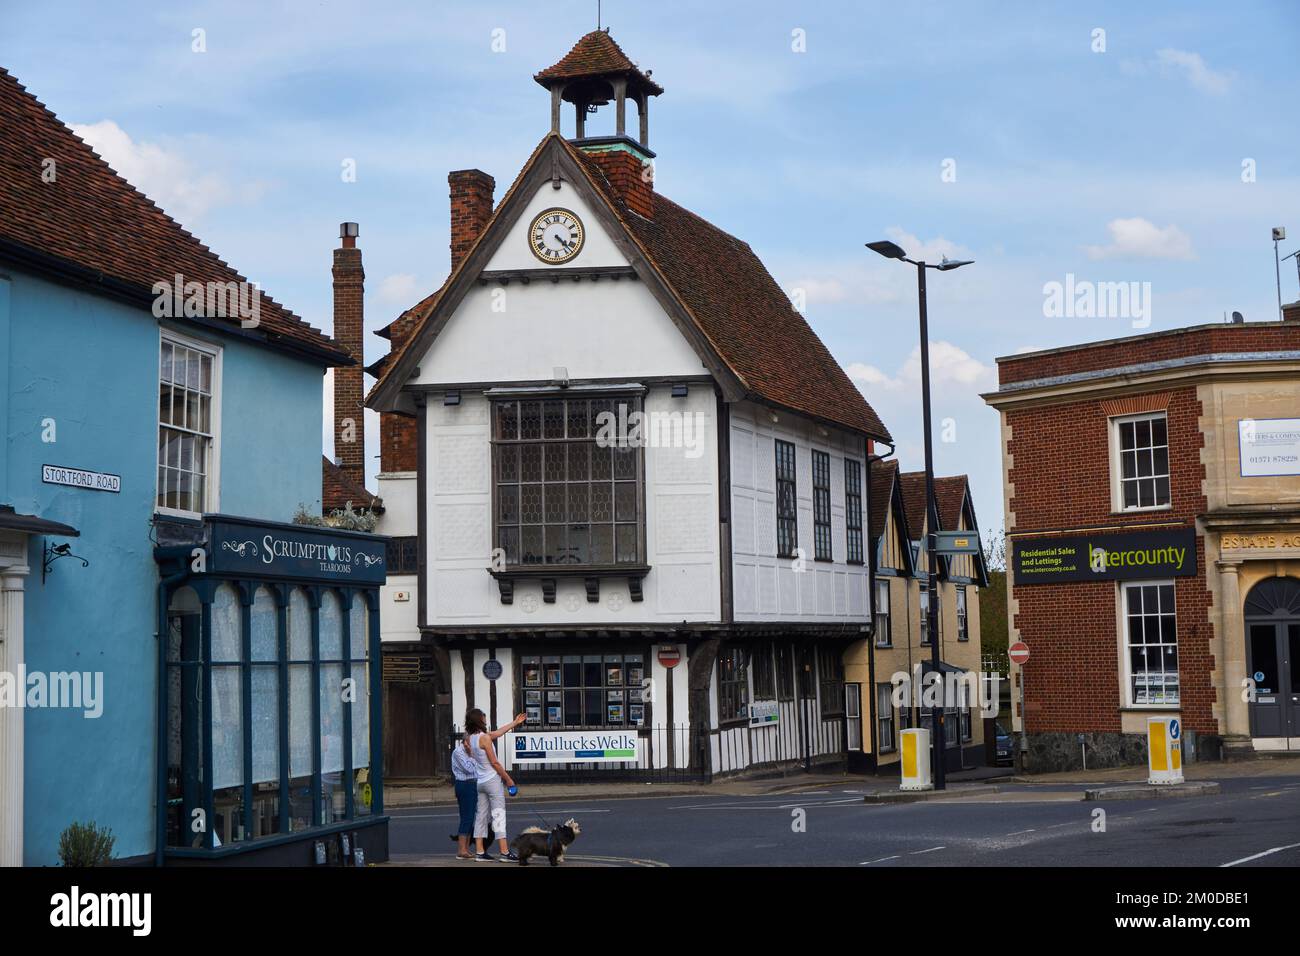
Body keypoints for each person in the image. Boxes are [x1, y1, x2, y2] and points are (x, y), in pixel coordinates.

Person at [450, 711, 524, 860]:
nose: (485, 720)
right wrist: (508, 780)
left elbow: (497, 733)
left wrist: (514, 723)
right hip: (492, 780)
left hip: (480, 782)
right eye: (483, 718)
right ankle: (504, 852)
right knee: (498, 814)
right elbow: (494, 762)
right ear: (479, 721)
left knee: (481, 816)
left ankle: (480, 852)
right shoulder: (484, 738)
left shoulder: (471, 739)